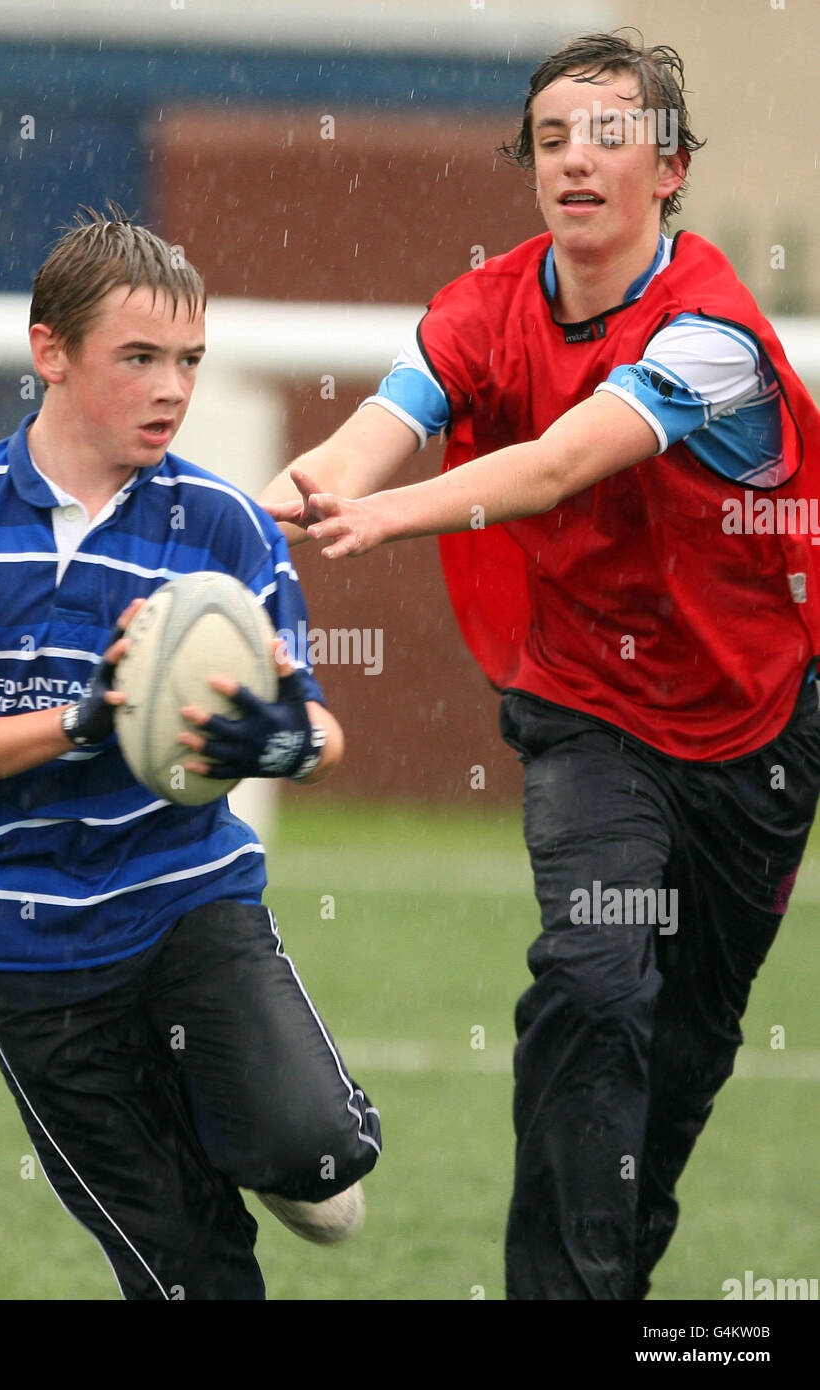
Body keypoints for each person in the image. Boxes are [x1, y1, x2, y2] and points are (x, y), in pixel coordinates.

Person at [261, 31, 820, 1299]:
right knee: (588, 976)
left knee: (675, 1069)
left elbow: (568, 456)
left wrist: (385, 517)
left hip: (756, 732)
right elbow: (378, 428)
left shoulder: (712, 330)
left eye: (610, 135)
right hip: (584, 712)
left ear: (669, 167)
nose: (576, 159)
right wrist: (290, 503)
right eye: (553, 137)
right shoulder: (481, 304)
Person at [0, 206, 381, 1302]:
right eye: (138, 357)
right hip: (24, 941)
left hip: (185, 897)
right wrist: (81, 721)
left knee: (324, 1159)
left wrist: (279, 740)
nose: (171, 388)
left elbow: (322, 733)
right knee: (189, 1273)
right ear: (49, 351)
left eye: (188, 360)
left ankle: (276, 1134)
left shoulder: (224, 525)